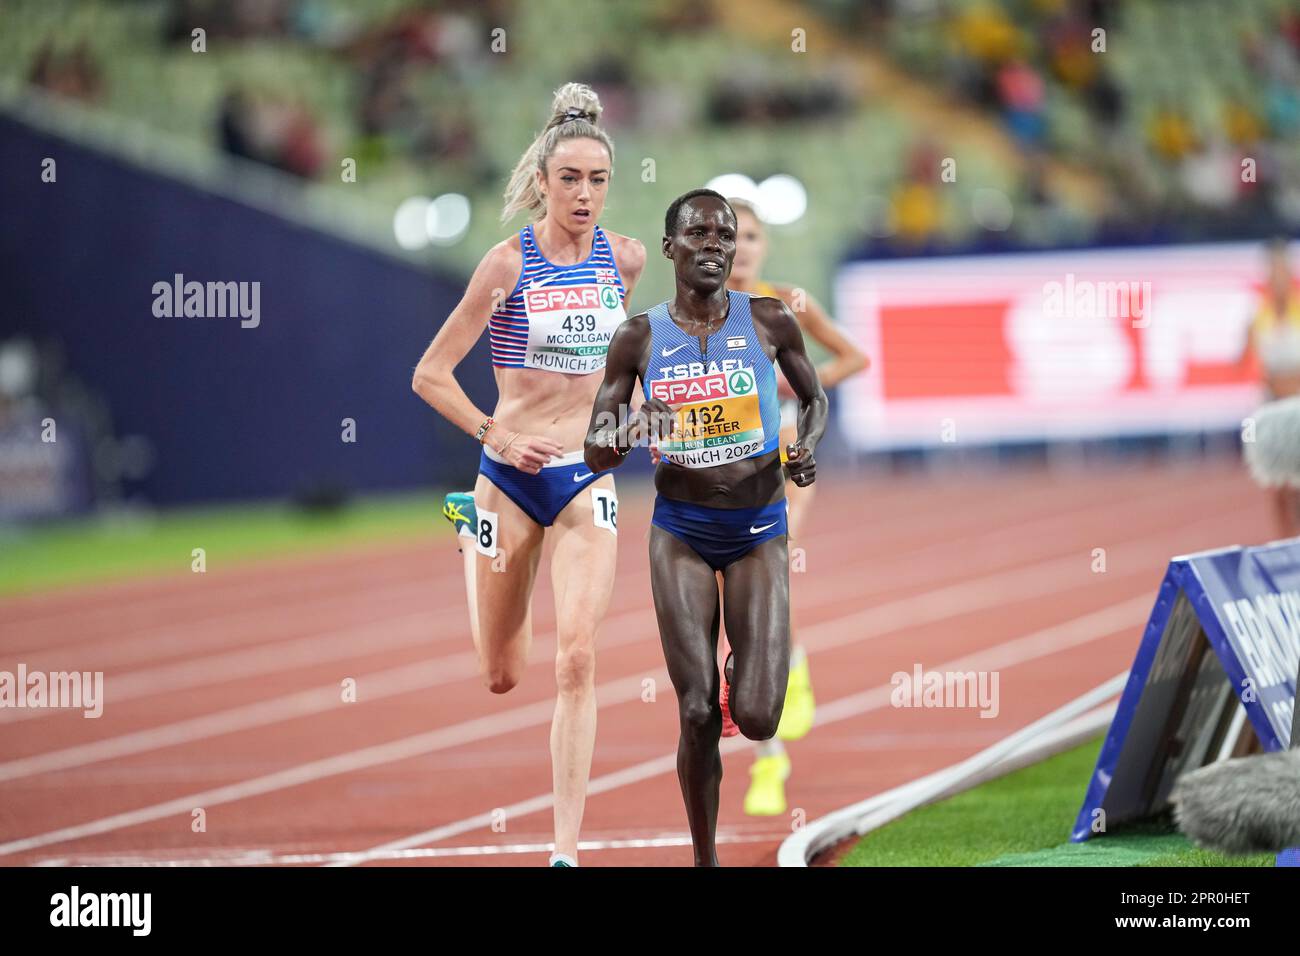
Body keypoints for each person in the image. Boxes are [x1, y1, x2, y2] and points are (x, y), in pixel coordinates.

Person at [411, 83, 646, 867]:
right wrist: (496, 435)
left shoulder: (628, 258)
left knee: (577, 658)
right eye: (570, 179)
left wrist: (636, 413)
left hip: (586, 479)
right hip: (507, 479)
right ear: (543, 181)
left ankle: (564, 853)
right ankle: (466, 528)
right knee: (501, 676)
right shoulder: (507, 264)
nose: (585, 194)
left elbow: (617, 365)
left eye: (598, 180)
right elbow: (430, 374)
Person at [585, 189, 827, 865]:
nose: (716, 245)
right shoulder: (637, 336)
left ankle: (737, 668)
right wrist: (634, 427)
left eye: (726, 235)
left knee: (756, 718)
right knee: (696, 713)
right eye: (700, 234)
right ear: (670, 248)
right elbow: (594, 447)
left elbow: (814, 398)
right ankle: (705, 859)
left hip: (757, 530)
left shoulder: (771, 321)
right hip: (681, 533)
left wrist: (804, 446)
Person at [719, 197, 869, 815]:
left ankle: (792, 671)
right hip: (716, 467)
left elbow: (853, 358)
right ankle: (769, 755)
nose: (742, 247)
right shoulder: (693, 311)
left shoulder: (787, 303)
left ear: (764, 245)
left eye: (752, 236)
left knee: (770, 573)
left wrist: (797, 382)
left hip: (782, 461)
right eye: (731, 236)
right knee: (733, 602)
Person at [1243, 238, 1300, 538]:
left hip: (1298, 404)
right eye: (1273, 270)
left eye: (1282, 269)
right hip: (1272, 405)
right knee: (1278, 483)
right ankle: (1286, 542)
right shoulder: (1258, 314)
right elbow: (1244, 359)